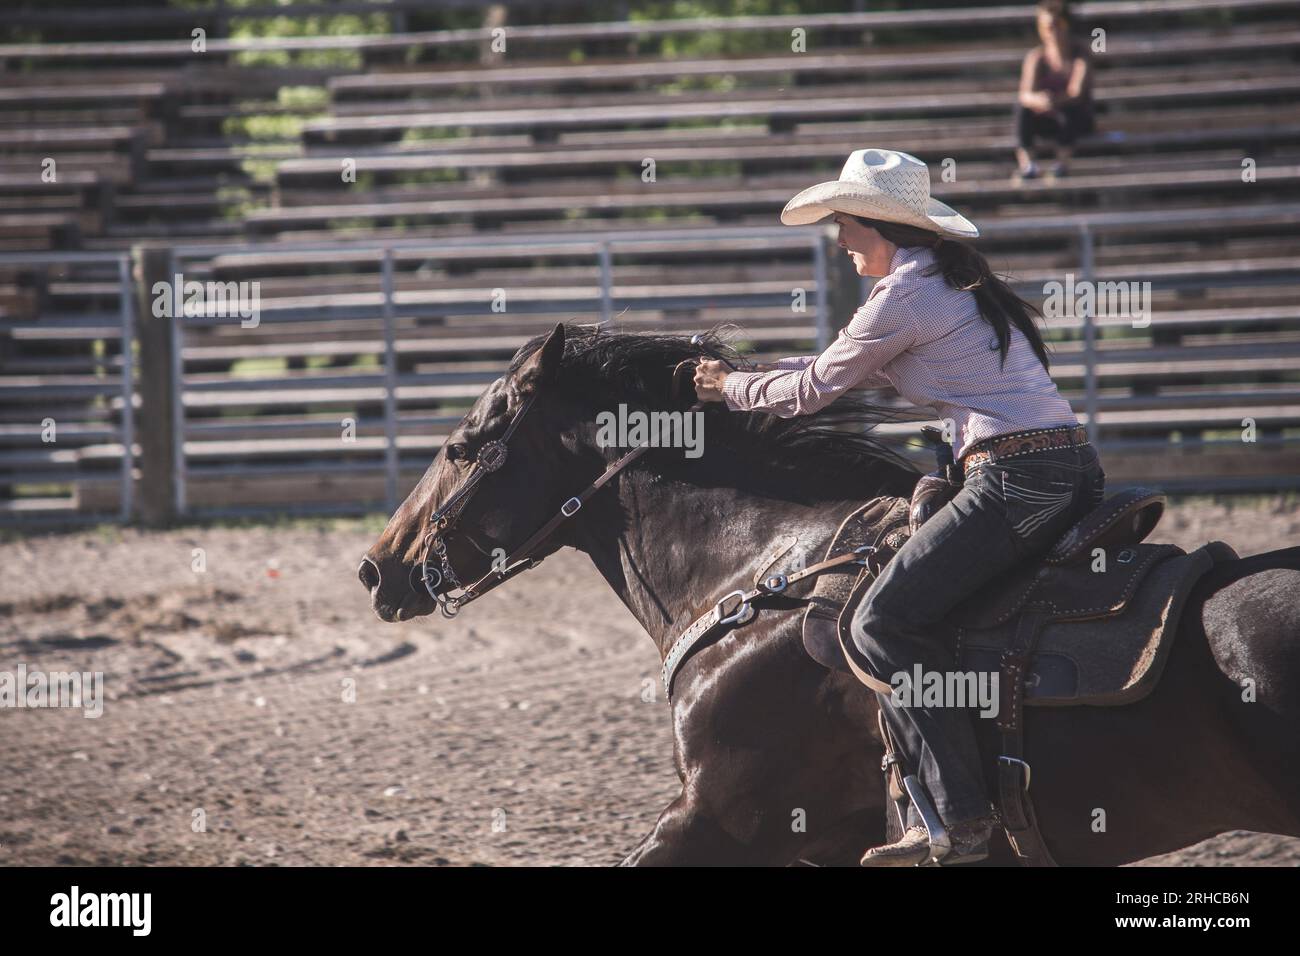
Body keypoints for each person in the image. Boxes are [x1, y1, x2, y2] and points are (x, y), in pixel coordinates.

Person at [693, 147, 1105, 866]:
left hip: (1015, 476)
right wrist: (745, 376)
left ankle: (958, 814)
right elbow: (829, 371)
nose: (840, 241)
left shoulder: (904, 298)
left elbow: (810, 392)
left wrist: (727, 389)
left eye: (844, 226)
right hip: (1054, 465)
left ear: (874, 225)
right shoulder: (941, 286)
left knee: (882, 620)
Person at [1014, 0, 1094, 182]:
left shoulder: (1079, 54)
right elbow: (1025, 94)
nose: (1053, 31)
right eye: (1048, 26)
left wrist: (1054, 101)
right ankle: (1027, 165)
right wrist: (1040, 100)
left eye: (1057, 25)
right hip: (1048, 118)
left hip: (1074, 119)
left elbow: (1076, 92)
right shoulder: (1037, 57)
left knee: (1071, 110)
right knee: (1022, 109)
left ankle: (1062, 164)